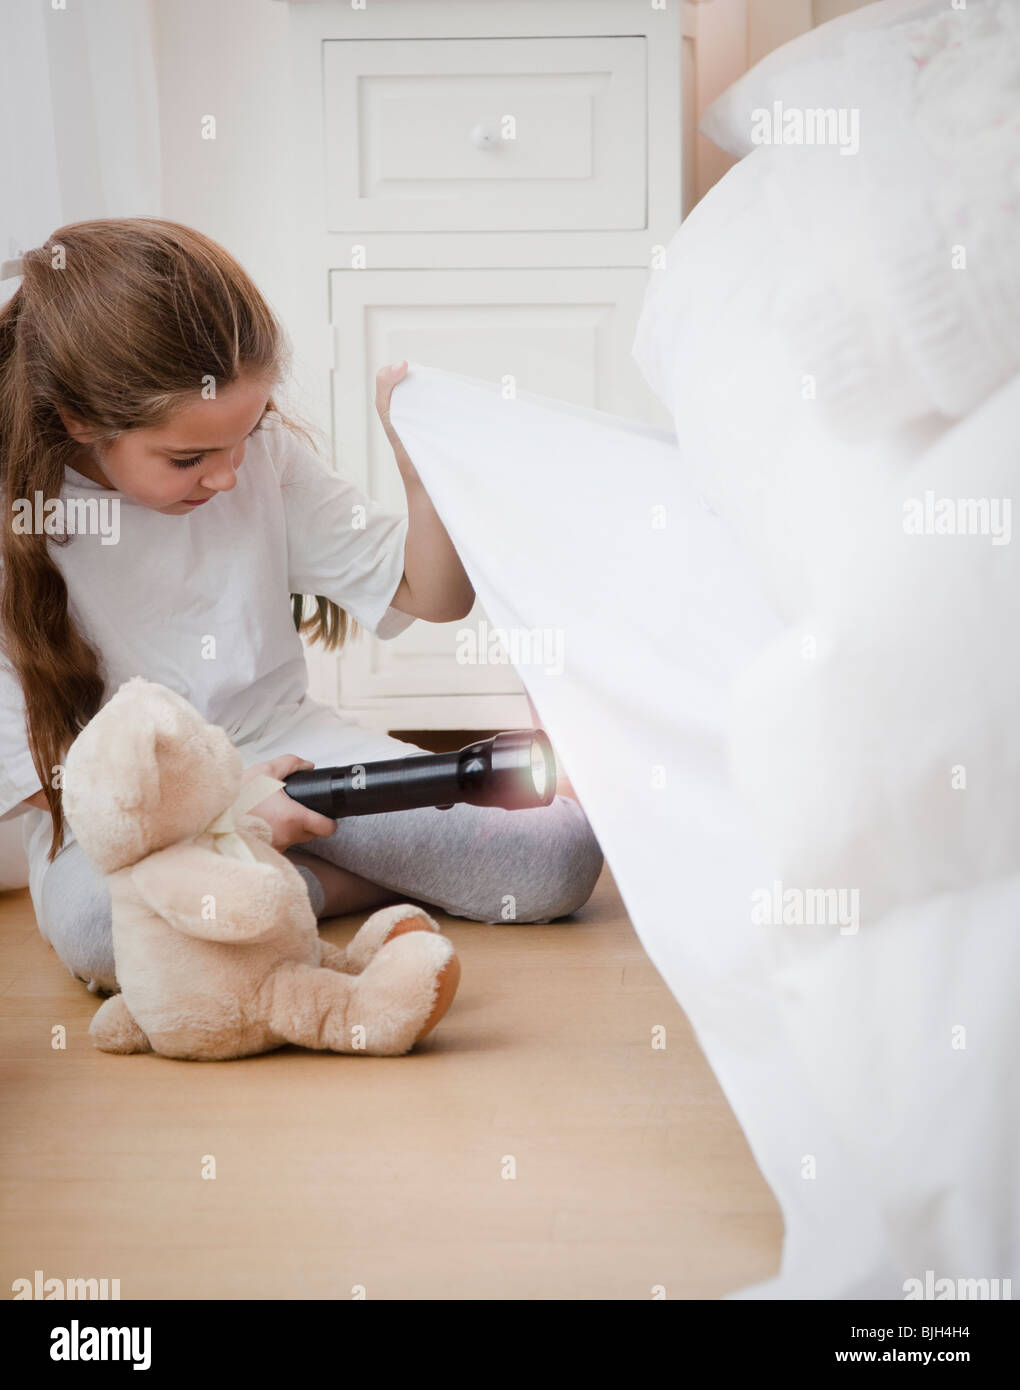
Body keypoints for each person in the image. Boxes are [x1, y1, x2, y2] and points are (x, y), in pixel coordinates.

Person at [0, 218, 603, 995]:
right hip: (126, 812)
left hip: (296, 759)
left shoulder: (264, 460)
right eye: (188, 458)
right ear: (80, 420)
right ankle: (303, 884)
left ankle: (262, 898)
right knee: (96, 930)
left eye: (245, 435)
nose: (227, 476)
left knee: (555, 858)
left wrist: (425, 479)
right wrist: (227, 815)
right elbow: (46, 787)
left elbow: (433, 596)